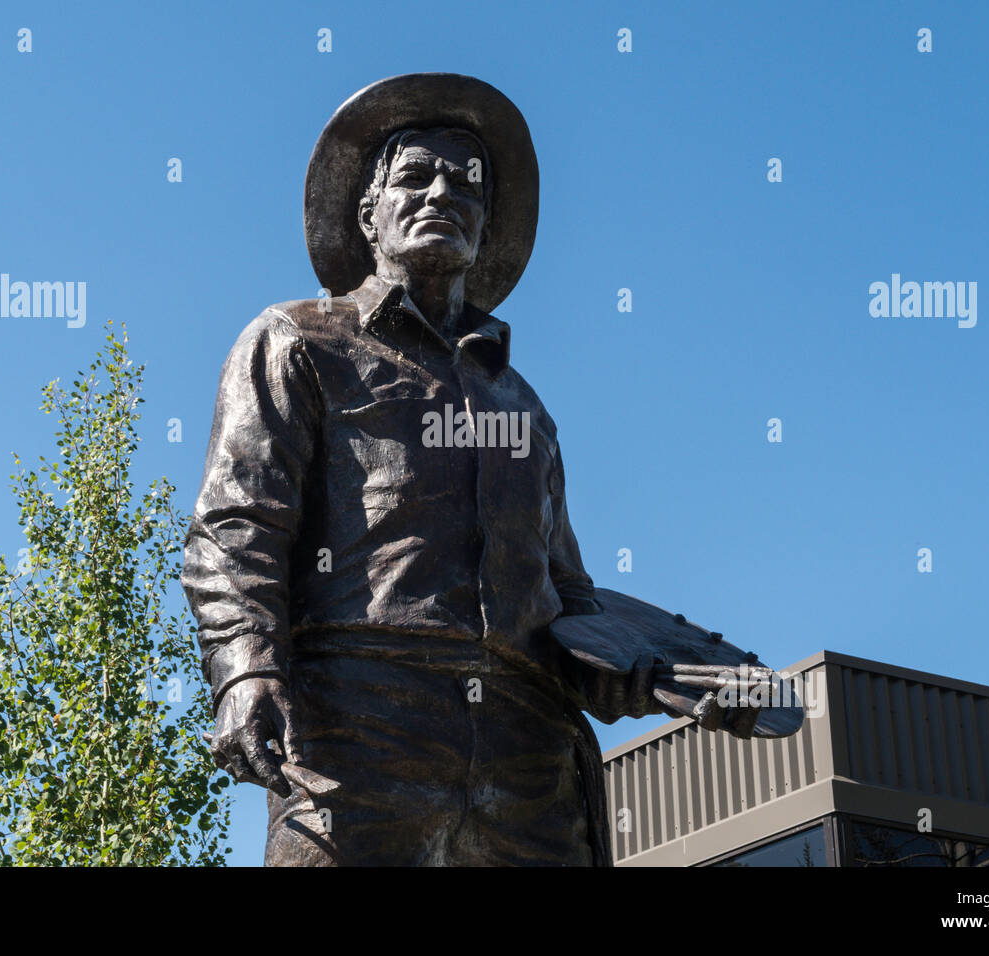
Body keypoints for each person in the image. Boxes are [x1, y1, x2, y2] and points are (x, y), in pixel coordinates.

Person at [182, 74, 655, 866]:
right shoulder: (297, 343)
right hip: (359, 722)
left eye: (466, 184)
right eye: (415, 176)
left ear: (485, 223)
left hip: (527, 750)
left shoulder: (523, 406)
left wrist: (638, 670)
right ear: (369, 213)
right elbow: (239, 527)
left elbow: (568, 592)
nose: (443, 193)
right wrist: (244, 670)